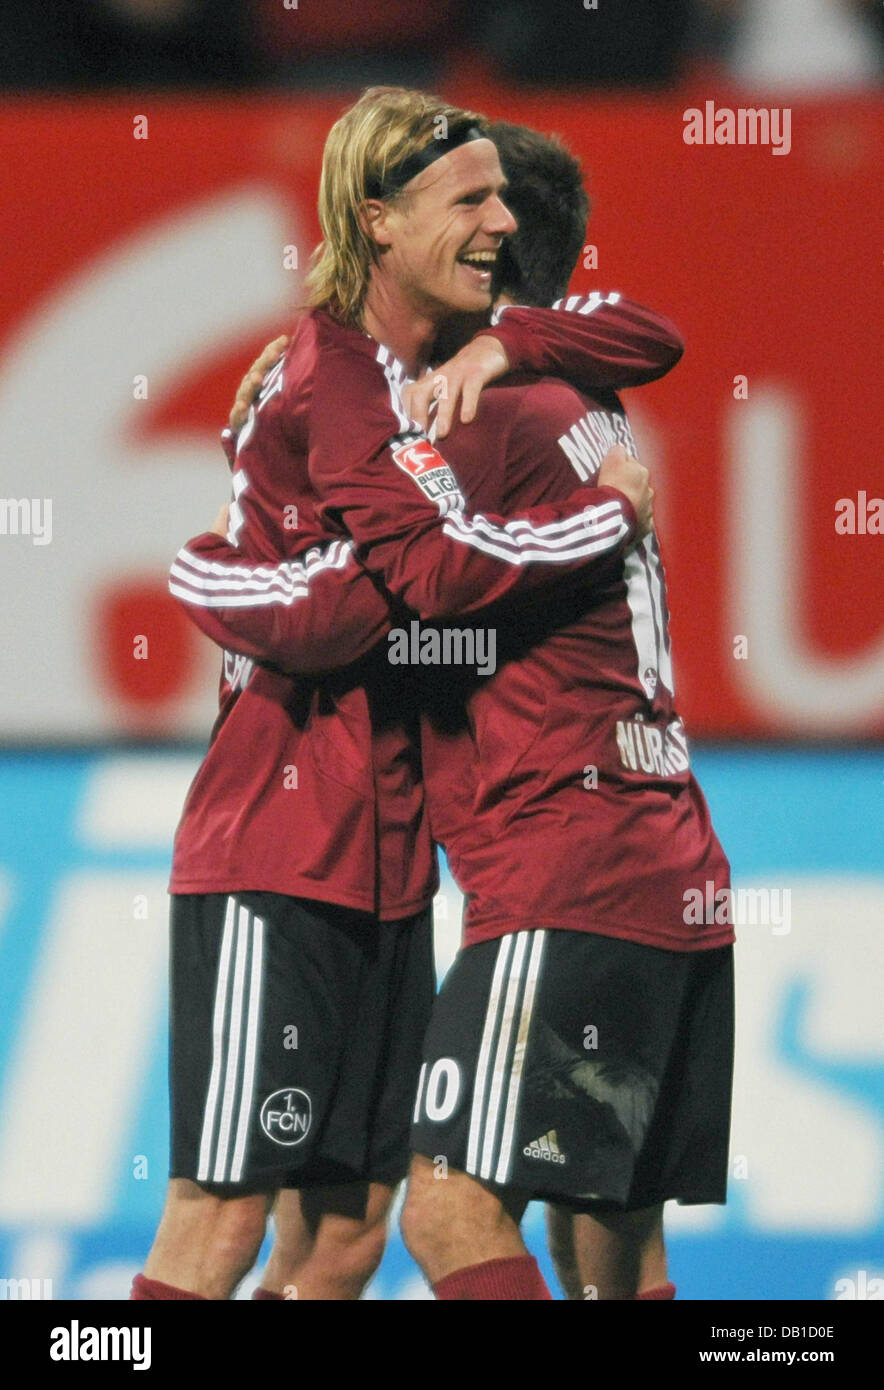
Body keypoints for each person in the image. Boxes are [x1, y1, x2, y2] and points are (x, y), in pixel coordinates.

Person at [172, 98, 732, 1300]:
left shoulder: (459, 409)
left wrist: (209, 562)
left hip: (559, 861)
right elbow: (645, 328)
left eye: (494, 206)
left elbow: (398, 587)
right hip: (659, 863)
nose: (485, 222)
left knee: (441, 1213)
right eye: (463, 200)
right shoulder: (574, 392)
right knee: (600, 1249)